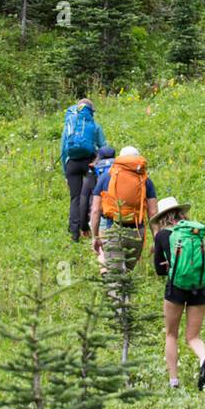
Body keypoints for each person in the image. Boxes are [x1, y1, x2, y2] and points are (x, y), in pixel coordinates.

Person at [152, 197, 205, 391]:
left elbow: (159, 270)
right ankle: (203, 359)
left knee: (171, 334)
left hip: (177, 288)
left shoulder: (162, 235)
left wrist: (168, 265)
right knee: (193, 336)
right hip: (200, 285)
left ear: (163, 217)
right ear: (181, 213)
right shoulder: (194, 232)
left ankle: (174, 382)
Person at [90, 145, 158, 278]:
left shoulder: (105, 177)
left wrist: (95, 236)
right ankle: (125, 296)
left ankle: (117, 297)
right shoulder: (145, 180)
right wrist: (156, 237)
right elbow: (153, 212)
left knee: (115, 279)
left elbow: (95, 211)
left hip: (113, 231)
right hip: (136, 234)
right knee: (126, 274)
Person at [60, 98, 106, 241]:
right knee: (89, 195)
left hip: (71, 164)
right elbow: (103, 148)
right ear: (91, 111)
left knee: (75, 198)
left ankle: (74, 233)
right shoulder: (94, 126)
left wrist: (65, 172)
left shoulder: (69, 126)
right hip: (89, 162)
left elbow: (63, 150)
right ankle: (88, 227)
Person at [80, 145, 115, 239]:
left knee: (102, 250)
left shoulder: (93, 172)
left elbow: (84, 200)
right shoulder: (120, 170)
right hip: (120, 216)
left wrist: (83, 225)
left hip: (100, 217)